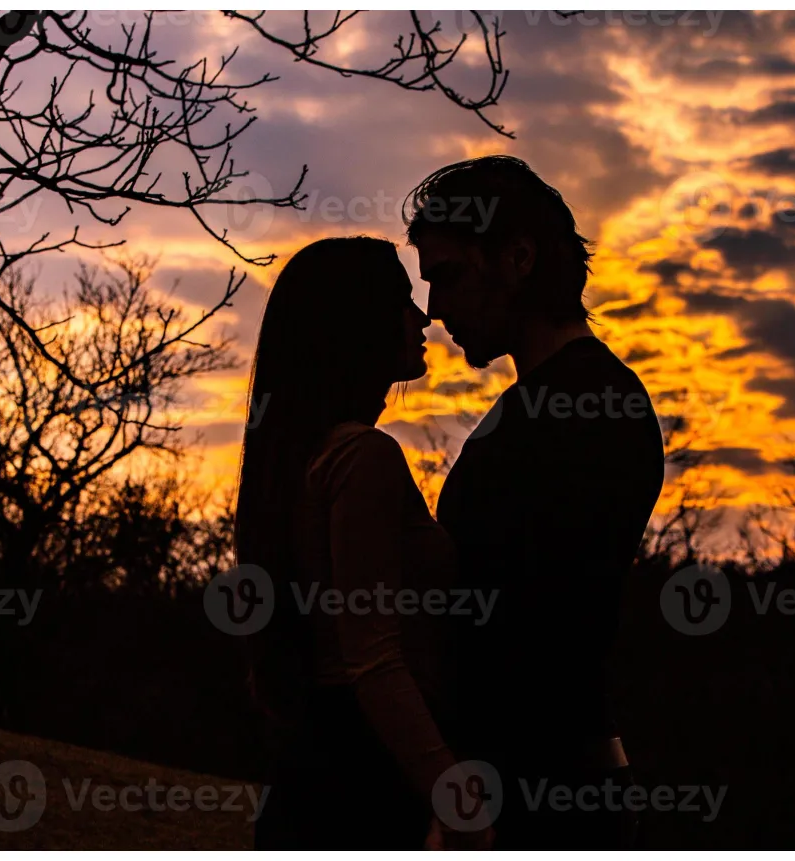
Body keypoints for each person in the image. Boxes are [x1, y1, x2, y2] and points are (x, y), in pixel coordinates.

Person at [404, 155, 666, 849]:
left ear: (517, 257)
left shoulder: (588, 407)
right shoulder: (550, 404)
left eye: (451, 276)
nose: (435, 309)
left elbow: (535, 634)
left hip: (542, 798)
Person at [235, 236, 490, 850]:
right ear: (359, 321)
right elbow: (373, 658)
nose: (423, 315)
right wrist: (455, 794)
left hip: (316, 771)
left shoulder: (297, 461)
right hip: (362, 782)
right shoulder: (363, 457)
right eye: (403, 299)